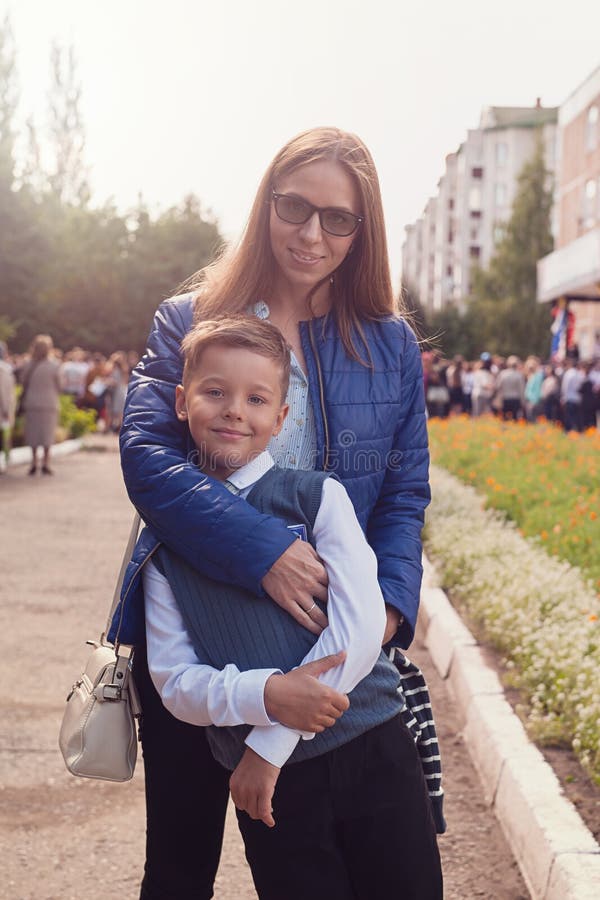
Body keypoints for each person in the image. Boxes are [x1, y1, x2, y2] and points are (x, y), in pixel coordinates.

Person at [115, 126, 433, 900]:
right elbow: (147, 457)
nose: (312, 234)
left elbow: (403, 492)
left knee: (323, 861)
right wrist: (263, 551)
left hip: (323, 642)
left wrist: (385, 610)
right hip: (198, 628)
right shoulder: (190, 318)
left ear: (363, 231)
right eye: (295, 208)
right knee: (178, 869)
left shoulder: (390, 346)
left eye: (338, 218)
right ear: (267, 204)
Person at [135, 315, 441, 899]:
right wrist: (268, 695)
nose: (234, 411)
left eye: (255, 399)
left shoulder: (318, 497)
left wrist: (268, 744)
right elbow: (174, 681)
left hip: (370, 744)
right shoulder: (165, 546)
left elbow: (361, 624)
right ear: (180, 401)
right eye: (215, 392)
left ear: (280, 419)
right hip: (272, 789)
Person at [19, 334, 62, 475]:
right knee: (47, 434)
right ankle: (45, 463)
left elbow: (22, 382)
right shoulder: (54, 365)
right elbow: (60, 385)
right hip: (49, 403)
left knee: (33, 434)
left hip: (32, 403)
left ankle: (33, 463)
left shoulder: (28, 364)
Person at [0, 341, 16, 473]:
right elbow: (5, 393)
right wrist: (6, 410)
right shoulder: (4, 370)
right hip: (2, 410)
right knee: (4, 437)